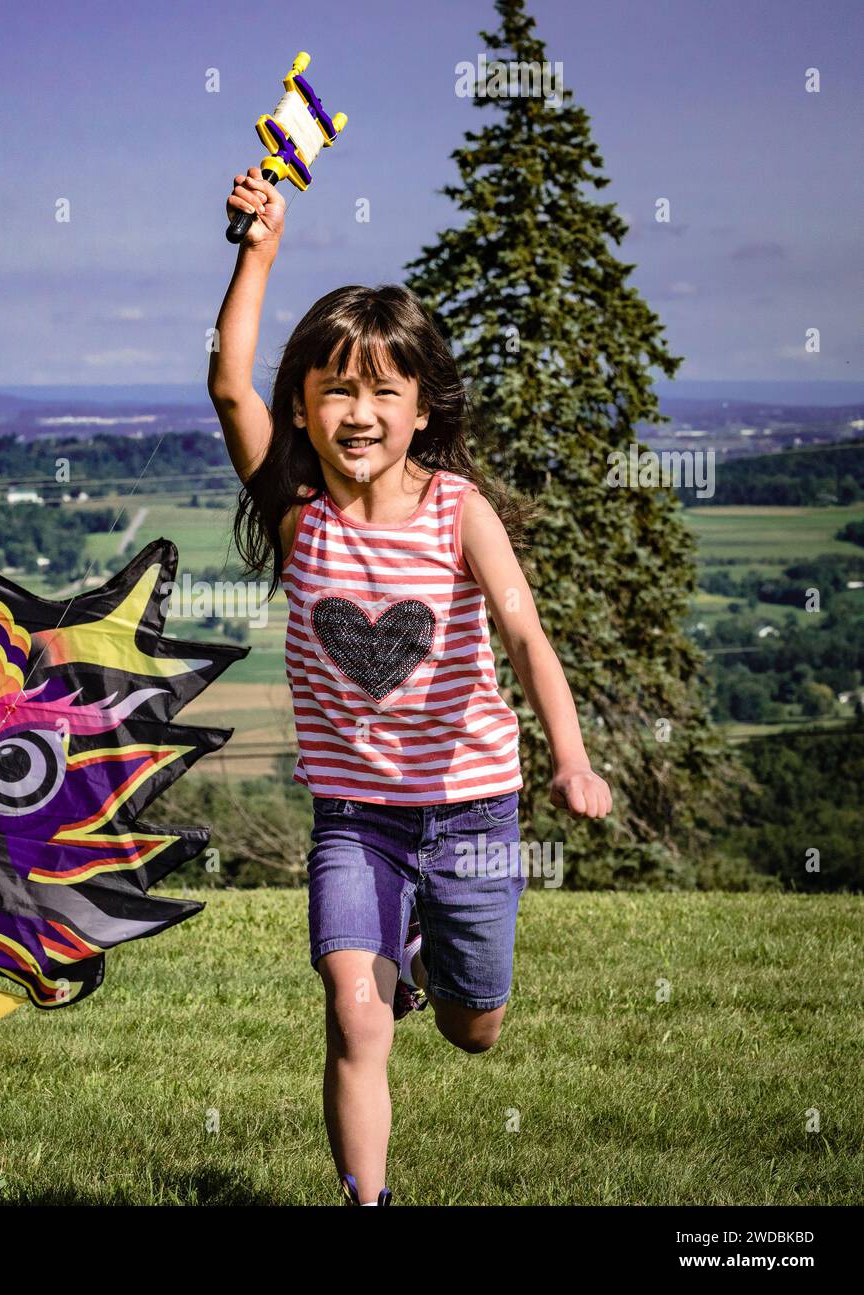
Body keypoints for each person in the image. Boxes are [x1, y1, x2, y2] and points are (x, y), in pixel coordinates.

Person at [207, 167, 613, 1206]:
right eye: (335, 387)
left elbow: (522, 633)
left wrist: (567, 755)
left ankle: (436, 952)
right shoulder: (300, 514)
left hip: (473, 807)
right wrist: (259, 246)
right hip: (356, 820)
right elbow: (224, 380)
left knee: (473, 1029)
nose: (357, 411)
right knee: (354, 1010)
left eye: (383, 389)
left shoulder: (456, 510)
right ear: (302, 401)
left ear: (422, 406)